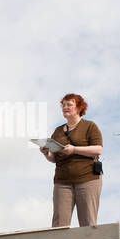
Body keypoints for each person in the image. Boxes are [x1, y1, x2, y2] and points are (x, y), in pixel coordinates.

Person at [40, 93, 103, 227]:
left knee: (88, 223)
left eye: (69, 104)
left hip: (87, 180)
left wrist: (74, 149)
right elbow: (55, 158)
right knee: (59, 224)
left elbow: (98, 149)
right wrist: (46, 154)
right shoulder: (58, 131)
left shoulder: (90, 126)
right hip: (62, 182)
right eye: (63, 105)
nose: (65, 107)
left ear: (79, 107)